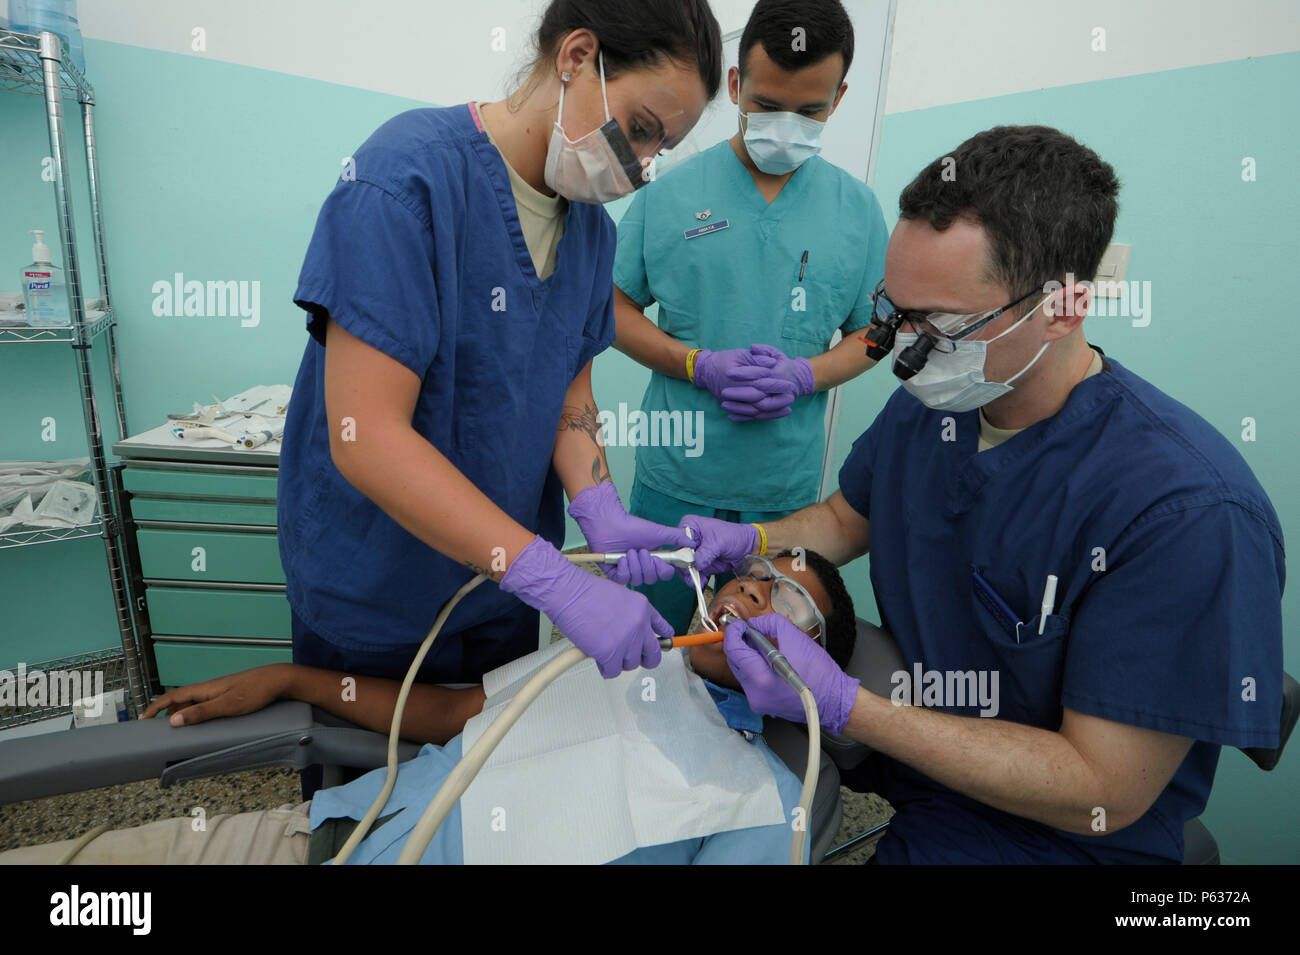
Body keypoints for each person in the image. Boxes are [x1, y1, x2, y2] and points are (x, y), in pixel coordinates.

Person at [680, 125, 1286, 864]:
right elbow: (845, 516)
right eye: (893, 311)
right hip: (921, 749)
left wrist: (849, 707)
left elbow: (1103, 787)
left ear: (1061, 308)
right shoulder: (938, 403)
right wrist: (752, 542)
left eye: (935, 324)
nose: (902, 351)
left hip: (1049, 832)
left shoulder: (1186, 511)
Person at [276, 1, 722, 802]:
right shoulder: (402, 180)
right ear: (578, 57)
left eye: (664, 146)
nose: (645, 162)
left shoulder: (589, 231)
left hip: (497, 596)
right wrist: (555, 578)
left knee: (479, 801)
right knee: (368, 812)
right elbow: (365, 436)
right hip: (379, 590)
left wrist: (600, 508)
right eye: (644, 126)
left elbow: (566, 384)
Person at [0, 551, 855, 865]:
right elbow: (451, 714)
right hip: (325, 839)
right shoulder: (610, 651)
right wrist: (297, 681)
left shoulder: (759, 801)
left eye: (791, 605)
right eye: (758, 576)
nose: (755, 598)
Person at [611, 0, 889, 634]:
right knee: (651, 648)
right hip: (674, 476)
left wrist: (805, 376)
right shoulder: (668, 192)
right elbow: (612, 306)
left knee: (750, 657)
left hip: (784, 497)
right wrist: (696, 365)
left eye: (810, 110)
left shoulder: (856, 210)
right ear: (735, 85)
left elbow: (877, 332)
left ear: (839, 98)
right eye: (766, 105)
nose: (785, 125)